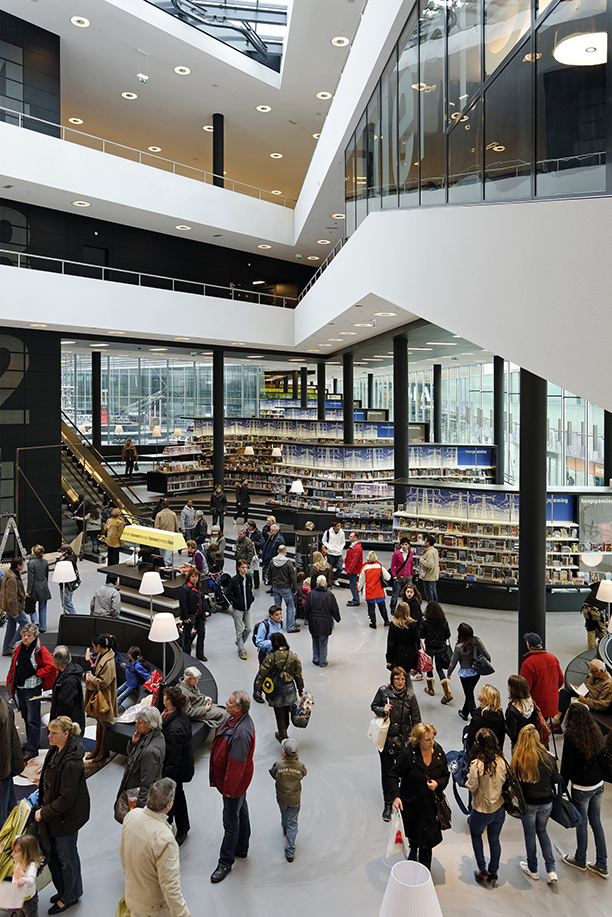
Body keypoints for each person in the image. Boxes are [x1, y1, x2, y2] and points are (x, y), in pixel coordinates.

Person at [34, 716, 91, 914]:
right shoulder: (57, 749)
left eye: (54, 733)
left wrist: (43, 812)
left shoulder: (71, 763)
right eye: (49, 732)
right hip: (56, 815)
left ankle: (71, 895)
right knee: (58, 855)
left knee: (67, 857)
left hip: (66, 818)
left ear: (65, 734)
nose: (49, 736)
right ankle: (65, 890)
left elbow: (66, 798)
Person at [120, 778, 191, 917]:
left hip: (132, 898)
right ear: (169, 805)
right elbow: (170, 886)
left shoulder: (132, 815)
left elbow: (124, 857)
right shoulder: (165, 838)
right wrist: (183, 914)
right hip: (154, 909)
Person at [209, 691, 256, 884]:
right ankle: (242, 847)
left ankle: (225, 862)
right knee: (241, 810)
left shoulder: (241, 733)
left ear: (238, 708)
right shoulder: (236, 720)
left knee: (230, 823)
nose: (225, 703)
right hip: (239, 784)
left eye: (229, 702)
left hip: (234, 785)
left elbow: (236, 766)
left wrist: (229, 790)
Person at [389, 722, 449, 870]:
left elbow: (445, 776)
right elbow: (393, 775)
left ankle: (424, 870)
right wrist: (396, 797)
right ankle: (413, 847)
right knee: (414, 832)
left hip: (432, 807)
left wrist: (438, 783)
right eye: (427, 739)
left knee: (427, 844)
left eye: (432, 738)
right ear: (418, 740)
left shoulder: (439, 753)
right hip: (412, 804)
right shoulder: (407, 755)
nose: (431, 742)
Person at [560, 701, 608, 878]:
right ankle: (602, 864)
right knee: (596, 822)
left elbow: (566, 767)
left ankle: (580, 859)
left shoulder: (571, 737)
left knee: (581, 824)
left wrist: (562, 789)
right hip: (598, 784)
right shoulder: (595, 731)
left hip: (581, 788)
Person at [371, 666, 421, 822]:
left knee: (404, 772)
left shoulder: (410, 697)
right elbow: (373, 706)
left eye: (403, 679)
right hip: (386, 740)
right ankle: (388, 804)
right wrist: (382, 709)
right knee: (387, 773)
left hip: (403, 742)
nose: (400, 682)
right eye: (397, 679)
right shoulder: (383, 692)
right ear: (392, 680)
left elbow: (416, 720)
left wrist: (415, 742)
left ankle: (401, 800)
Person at [511, 724, 560, 883]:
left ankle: (533, 869)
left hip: (528, 804)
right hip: (546, 802)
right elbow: (556, 780)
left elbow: (515, 784)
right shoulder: (548, 758)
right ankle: (551, 870)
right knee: (543, 831)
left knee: (530, 835)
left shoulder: (519, 759)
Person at [6, 622, 55, 762]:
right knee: (26, 717)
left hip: (32, 689)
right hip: (20, 688)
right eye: (24, 635)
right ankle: (31, 742)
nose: (26, 638)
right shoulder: (17, 647)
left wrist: (38, 673)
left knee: (33, 719)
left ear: (35, 636)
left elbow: (51, 666)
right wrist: (10, 688)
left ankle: (32, 749)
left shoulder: (39, 650)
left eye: (29, 635)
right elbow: (13, 668)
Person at [467, 727, 506, 888]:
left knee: (476, 834)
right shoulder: (502, 760)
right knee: (494, 840)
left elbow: (472, 786)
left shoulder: (477, 765)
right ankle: (493, 872)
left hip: (482, 810)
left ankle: (482, 870)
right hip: (499, 808)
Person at [255, 633, 304, 743]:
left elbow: (262, 674)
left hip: (276, 689)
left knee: (279, 714)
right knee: (286, 712)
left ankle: (283, 735)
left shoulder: (271, 657)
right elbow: (298, 674)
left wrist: (258, 689)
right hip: (290, 689)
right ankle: (284, 731)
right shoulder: (293, 655)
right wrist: (300, 689)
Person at [161, 686, 195, 847]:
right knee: (174, 796)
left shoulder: (175, 729)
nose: (162, 698)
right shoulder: (177, 714)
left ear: (169, 700)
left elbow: (174, 758)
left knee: (177, 797)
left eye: (164, 696)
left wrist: (166, 779)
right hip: (179, 766)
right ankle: (170, 819)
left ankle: (182, 830)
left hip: (177, 770)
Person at [116, 707, 166, 812]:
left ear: (149, 725)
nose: (136, 725)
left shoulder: (150, 752)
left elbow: (146, 785)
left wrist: (139, 812)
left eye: (140, 723)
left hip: (136, 795)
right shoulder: (153, 735)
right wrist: (133, 743)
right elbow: (132, 755)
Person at [269, 737, 307, 863]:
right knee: (293, 823)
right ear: (298, 753)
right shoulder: (300, 766)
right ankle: (290, 851)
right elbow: (303, 774)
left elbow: (273, 774)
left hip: (281, 798)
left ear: (283, 752)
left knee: (284, 813)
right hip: (294, 799)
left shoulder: (278, 765)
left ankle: (284, 827)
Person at [84, 633, 118, 762]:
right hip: (100, 694)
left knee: (104, 722)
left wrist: (90, 677)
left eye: (94, 646)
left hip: (105, 695)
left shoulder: (108, 662)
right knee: (99, 721)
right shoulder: (102, 655)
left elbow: (103, 682)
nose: (93, 648)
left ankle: (104, 750)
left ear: (99, 646)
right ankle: (98, 748)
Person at [447, 622, 491, 721]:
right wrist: (488, 660)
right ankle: (464, 712)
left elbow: (453, 662)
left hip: (465, 674)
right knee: (469, 692)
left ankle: (475, 718)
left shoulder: (459, 647)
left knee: (469, 696)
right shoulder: (477, 641)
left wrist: (449, 673)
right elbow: (485, 653)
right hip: (476, 672)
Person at [555, 657, 612, 727]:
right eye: (590, 670)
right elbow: (588, 686)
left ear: (602, 671)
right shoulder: (592, 675)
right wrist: (578, 688)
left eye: (593, 671)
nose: (591, 673)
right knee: (564, 692)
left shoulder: (608, 684)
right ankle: (557, 720)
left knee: (577, 708)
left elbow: (603, 704)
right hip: (584, 695)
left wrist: (585, 701)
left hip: (592, 703)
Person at [519, 632, 564, 720]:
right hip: (551, 705)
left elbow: (524, 689)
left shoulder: (528, 663)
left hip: (535, 708)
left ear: (528, 645)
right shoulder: (553, 658)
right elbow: (561, 681)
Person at [303, 574, 341, 668]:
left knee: (315, 639)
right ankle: (323, 661)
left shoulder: (311, 594)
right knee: (323, 641)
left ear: (316, 583)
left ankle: (316, 658)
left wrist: (306, 617)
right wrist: (337, 618)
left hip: (313, 621)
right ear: (325, 584)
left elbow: (307, 607)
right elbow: (334, 608)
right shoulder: (329, 595)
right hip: (325, 622)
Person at [2, 833, 43, 917]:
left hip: (28, 899)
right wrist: (3, 846)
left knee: (30, 914)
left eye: (15, 852)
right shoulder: (19, 860)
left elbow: (31, 880)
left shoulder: (31, 865)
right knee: (19, 914)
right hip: (18, 896)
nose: (12, 854)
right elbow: (15, 838)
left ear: (26, 853)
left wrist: (24, 880)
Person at [421, 601, 452, 703]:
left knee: (429, 667)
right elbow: (448, 635)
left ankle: (430, 689)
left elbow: (422, 635)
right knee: (439, 669)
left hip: (429, 648)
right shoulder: (444, 622)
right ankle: (447, 692)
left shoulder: (425, 622)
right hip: (440, 648)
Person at [0, 693, 24, 827]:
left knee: (2, 810)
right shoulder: (3, 703)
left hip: (3, 767)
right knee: (10, 804)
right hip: (7, 764)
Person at [50, 645, 86, 733]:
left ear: (57, 662)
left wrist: (57, 721)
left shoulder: (69, 680)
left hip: (67, 724)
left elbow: (66, 704)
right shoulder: (65, 673)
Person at [226, 561, 255, 660]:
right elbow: (228, 593)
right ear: (238, 568)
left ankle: (239, 642)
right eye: (242, 567)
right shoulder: (234, 580)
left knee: (249, 628)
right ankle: (241, 650)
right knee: (239, 631)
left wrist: (251, 599)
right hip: (238, 609)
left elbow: (250, 590)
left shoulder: (249, 578)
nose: (244, 569)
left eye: (246, 567)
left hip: (248, 608)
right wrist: (235, 601)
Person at [465, 684, 506, 752]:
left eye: (481, 691)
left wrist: (466, 728)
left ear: (485, 697)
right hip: (492, 752)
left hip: (477, 753)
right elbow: (501, 737)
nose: (478, 691)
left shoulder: (478, 718)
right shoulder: (500, 715)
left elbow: (469, 740)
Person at [269, 545, 299, 634]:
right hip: (286, 588)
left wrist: (273, 583)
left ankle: (276, 626)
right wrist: (295, 588)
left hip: (276, 587)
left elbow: (268, 574)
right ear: (285, 552)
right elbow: (293, 577)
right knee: (290, 607)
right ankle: (290, 627)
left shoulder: (272, 561)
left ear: (278, 551)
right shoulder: (288, 563)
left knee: (276, 607)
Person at [385, 601, 420, 680]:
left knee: (397, 676)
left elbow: (391, 643)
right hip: (410, 654)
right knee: (406, 675)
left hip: (397, 654)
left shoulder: (393, 625)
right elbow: (417, 640)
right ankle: (407, 687)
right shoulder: (413, 624)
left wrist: (389, 659)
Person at [1, 557, 28, 655]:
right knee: (25, 623)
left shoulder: (9, 573)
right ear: (18, 566)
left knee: (11, 626)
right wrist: (14, 612)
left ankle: (6, 649)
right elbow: (11, 596)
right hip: (14, 607)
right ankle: (12, 646)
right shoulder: (12, 578)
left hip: (8, 606)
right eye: (23, 564)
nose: (24, 566)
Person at [178, 568, 207, 661]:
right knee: (187, 636)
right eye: (192, 576)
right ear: (189, 577)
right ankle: (187, 656)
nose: (194, 578)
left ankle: (200, 654)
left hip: (199, 614)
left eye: (196, 576)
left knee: (202, 633)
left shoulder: (200, 586)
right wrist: (185, 617)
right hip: (190, 616)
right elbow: (183, 604)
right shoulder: (185, 588)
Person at [358, 551, 390, 628]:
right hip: (379, 591)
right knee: (382, 607)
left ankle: (373, 623)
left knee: (371, 608)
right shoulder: (380, 566)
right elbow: (388, 577)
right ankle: (386, 621)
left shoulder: (364, 568)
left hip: (369, 592)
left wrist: (358, 589)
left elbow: (361, 582)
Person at [505, 675, 539, 747]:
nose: (507, 686)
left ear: (513, 689)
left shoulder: (512, 709)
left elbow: (512, 733)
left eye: (509, 685)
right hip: (531, 740)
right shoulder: (532, 704)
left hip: (518, 743)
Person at [26, 544, 51, 632]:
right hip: (44, 586)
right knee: (43, 607)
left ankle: (35, 622)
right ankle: (43, 626)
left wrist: (28, 591)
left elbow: (31, 578)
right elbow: (46, 575)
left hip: (34, 587)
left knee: (31, 606)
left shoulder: (31, 563)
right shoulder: (45, 561)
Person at [389, 538, 414, 614]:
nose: (404, 546)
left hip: (408, 577)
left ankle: (407, 609)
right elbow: (392, 566)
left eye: (406, 544)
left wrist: (411, 574)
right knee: (395, 595)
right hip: (399, 578)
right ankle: (393, 609)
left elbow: (411, 564)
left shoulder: (411, 553)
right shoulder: (396, 554)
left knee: (409, 594)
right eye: (403, 544)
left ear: (408, 545)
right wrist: (394, 577)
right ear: (400, 545)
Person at [581, 582, 608, 649]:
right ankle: (603, 648)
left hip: (586, 608)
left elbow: (591, 586)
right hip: (597, 611)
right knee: (602, 630)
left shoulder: (602, 582)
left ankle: (591, 649)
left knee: (591, 629)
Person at [155, 500, 179, 567]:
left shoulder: (159, 514)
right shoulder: (173, 514)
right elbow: (176, 524)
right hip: (170, 533)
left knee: (162, 548)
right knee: (168, 548)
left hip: (161, 534)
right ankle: (167, 561)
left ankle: (163, 560)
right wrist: (176, 532)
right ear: (169, 506)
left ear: (162, 506)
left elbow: (156, 525)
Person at [56, 545, 80, 616]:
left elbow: (59, 567)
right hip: (71, 584)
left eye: (61, 551)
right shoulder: (72, 558)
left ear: (65, 552)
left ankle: (74, 618)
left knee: (67, 604)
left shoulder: (68, 561)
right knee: (67, 603)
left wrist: (58, 558)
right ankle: (68, 618)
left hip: (66, 585)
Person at [344, 531, 363, 606]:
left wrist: (349, 570)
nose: (349, 537)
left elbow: (354, 560)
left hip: (354, 570)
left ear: (356, 538)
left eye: (351, 536)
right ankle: (355, 598)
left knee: (353, 585)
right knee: (352, 584)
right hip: (352, 569)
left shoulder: (357, 547)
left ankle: (356, 600)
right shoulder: (354, 546)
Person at [419, 534, 440, 603]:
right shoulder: (434, 550)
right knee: (434, 592)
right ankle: (435, 606)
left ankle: (430, 607)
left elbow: (429, 565)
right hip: (434, 575)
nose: (424, 542)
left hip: (429, 576)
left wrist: (421, 560)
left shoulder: (429, 553)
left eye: (425, 540)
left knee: (429, 594)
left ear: (428, 543)